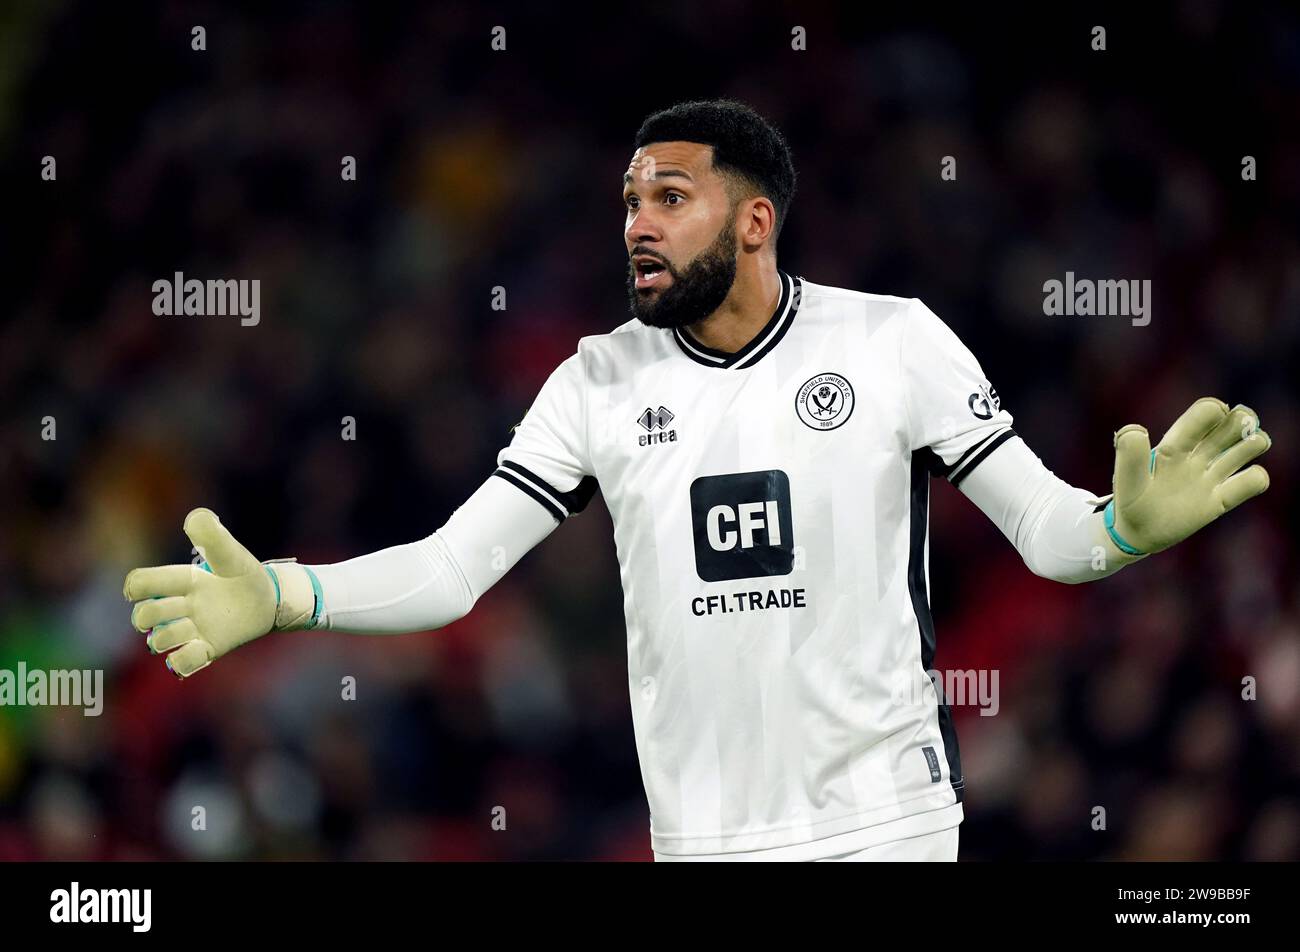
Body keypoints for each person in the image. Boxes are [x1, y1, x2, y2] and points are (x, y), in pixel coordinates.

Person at [124, 99, 1272, 862]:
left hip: (885, 822)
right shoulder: (595, 381)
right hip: (706, 838)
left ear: (755, 219)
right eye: (628, 200)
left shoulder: (891, 343)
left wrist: (1124, 523)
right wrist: (282, 592)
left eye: (669, 197)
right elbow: (450, 568)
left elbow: (1050, 537)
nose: (637, 223)